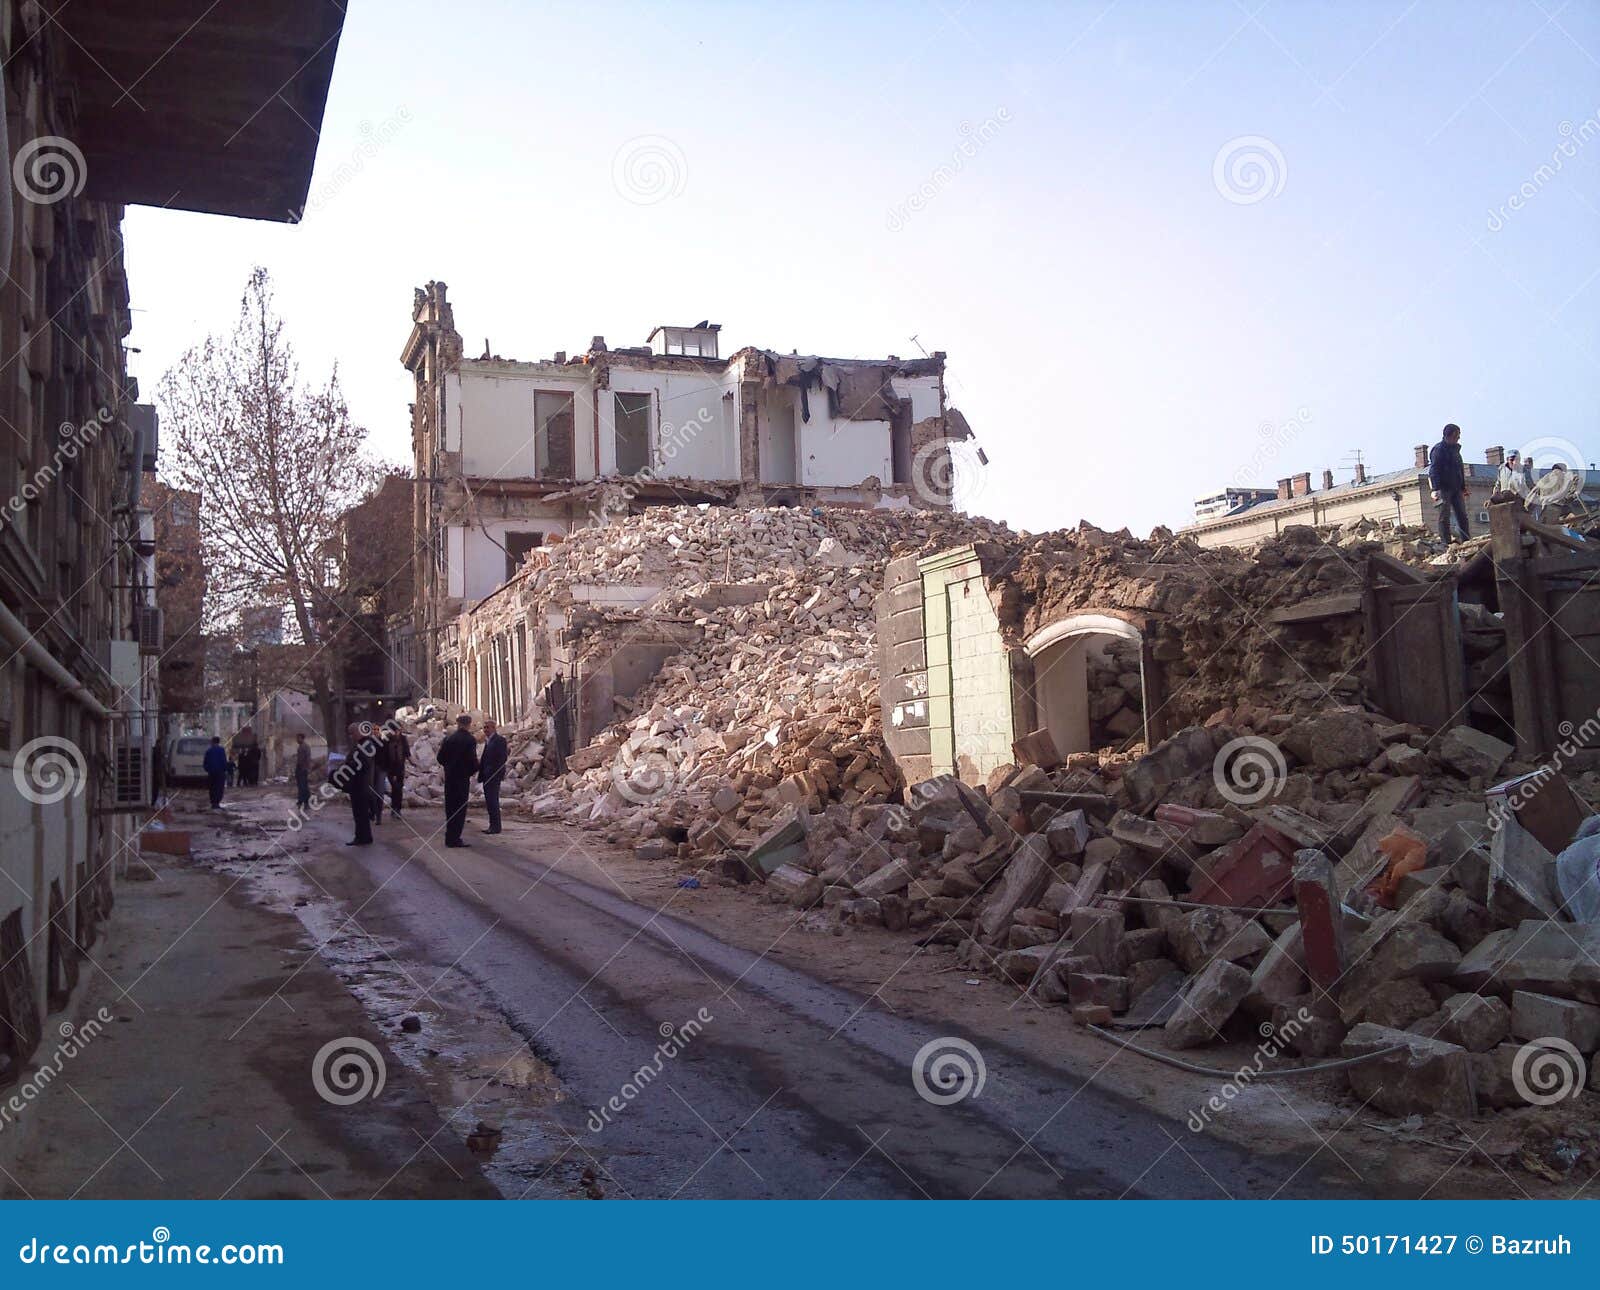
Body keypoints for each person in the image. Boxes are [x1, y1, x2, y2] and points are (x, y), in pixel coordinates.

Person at [437, 714, 479, 848]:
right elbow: (472, 760)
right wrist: (471, 771)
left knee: (450, 808)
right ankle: (456, 838)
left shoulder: (448, 739)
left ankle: (449, 837)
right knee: (460, 809)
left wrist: (448, 767)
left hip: (450, 778)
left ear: (457, 723)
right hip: (462, 778)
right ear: (469, 724)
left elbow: (440, 758)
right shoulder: (470, 740)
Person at [1428, 423, 1470, 543]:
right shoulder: (1439, 450)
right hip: (1443, 489)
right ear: (1451, 435)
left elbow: (1459, 469)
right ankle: (1446, 543)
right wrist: (1435, 489)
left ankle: (1466, 541)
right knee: (1444, 517)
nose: (1459, 437)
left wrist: (1463, 487)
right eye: (1458, 435)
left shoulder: (1456, 451)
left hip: (1456, 488)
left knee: (1462, 516)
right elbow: (1434, 470)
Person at [338, 723, 376, 846]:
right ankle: (364, 836)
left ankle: (362, 837)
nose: (351, 736)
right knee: (360, 813)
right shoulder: (363, 744)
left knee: (360, 813)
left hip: (361, 784)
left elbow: (362, 763)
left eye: (352, 733)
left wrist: (349, 766)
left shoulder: (366, 745)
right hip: (358, 784)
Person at [478, 718, 508, 835]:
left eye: (488, 727)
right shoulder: (488, 741)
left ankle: (495, 827)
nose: (485, 730)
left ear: (494, 728)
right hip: (486, 775)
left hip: (493, 776)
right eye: (484, 727)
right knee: (489, 801)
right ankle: (493, 825)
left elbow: (501, 759)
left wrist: (493, 772)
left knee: (493, 801)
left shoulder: (499, 740)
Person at [383, 726, 412, 820]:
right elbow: (384, 754)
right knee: (395, 787)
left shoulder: (403, 739)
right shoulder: (387, 740)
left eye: (397, 731)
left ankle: (397, 809)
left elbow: (407, 752)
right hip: (390, 769)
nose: (396, 733)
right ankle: (394, 808)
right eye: (394, 731)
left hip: (400, 768)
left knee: (398, 789)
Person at [203, 736, 228, 809]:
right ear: (218, 742)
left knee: (212, 787)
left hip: (211, 772)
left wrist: (208, 769)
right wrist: (224, 770)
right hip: (220, 772)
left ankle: (213, 803)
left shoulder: (209, 751)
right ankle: (217, 802)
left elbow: (205, 762)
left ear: (212, 742)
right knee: (219, 787)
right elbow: (224, 761)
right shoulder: (221, 750)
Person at [293, 734, 311, 810]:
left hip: (302, 768)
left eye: (298, 738)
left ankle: (306, 802)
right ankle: (301, 800)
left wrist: (303, 767)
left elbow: (305, 758)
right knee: (301, 785)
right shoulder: (303, 746)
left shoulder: (304, 747)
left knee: (303, 785)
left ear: (301, 738)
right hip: (302, 768)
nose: (297, 740)